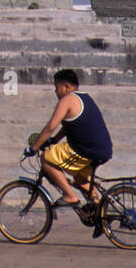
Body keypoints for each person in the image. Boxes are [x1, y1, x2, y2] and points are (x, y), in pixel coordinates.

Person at [27, 69, 113, 233]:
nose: (55, 91)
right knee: (81, 180)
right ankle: (99, 214)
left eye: (56, 87)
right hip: (102, 149)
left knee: (46, 159)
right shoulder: (84, 97)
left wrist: (34, 147)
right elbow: (67, 127)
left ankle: (69, 196)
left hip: (85, 149)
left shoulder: (66, 100)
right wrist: (53, 141)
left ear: (66, 87)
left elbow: (50, 127)